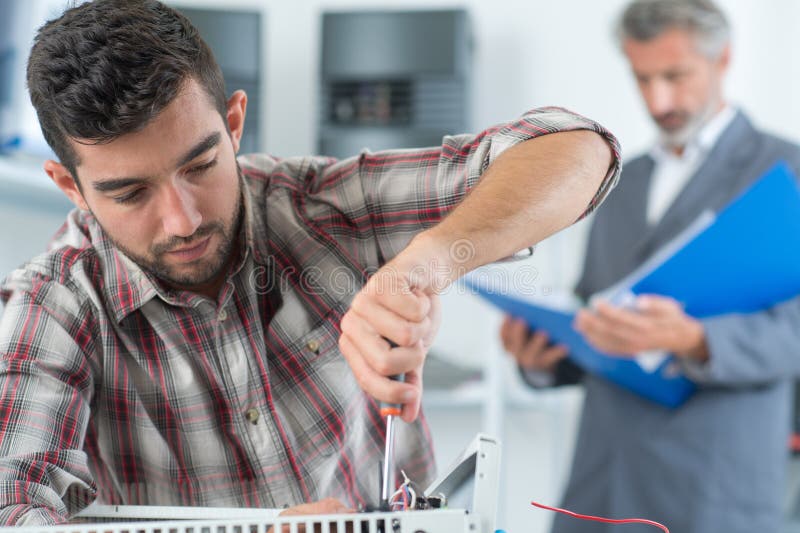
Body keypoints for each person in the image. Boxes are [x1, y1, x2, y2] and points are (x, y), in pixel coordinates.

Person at [0, 0, 621, 526]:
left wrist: (424, 265)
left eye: (200, 165)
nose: (182, 220)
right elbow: (13, 503)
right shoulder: (55, 302)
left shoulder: (326, 208)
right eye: (131, 194)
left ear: (234, 123)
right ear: (71, 186)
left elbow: (577, 147)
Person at [500, 1, 800, 532]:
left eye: (675, 76)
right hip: (603, 485)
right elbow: (593, 308)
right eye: (643, 79)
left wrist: (697, 339)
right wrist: (544, 356)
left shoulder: (785, 170)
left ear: (723, 59)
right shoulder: (619, 181)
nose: (659, 100)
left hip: (712, 486)